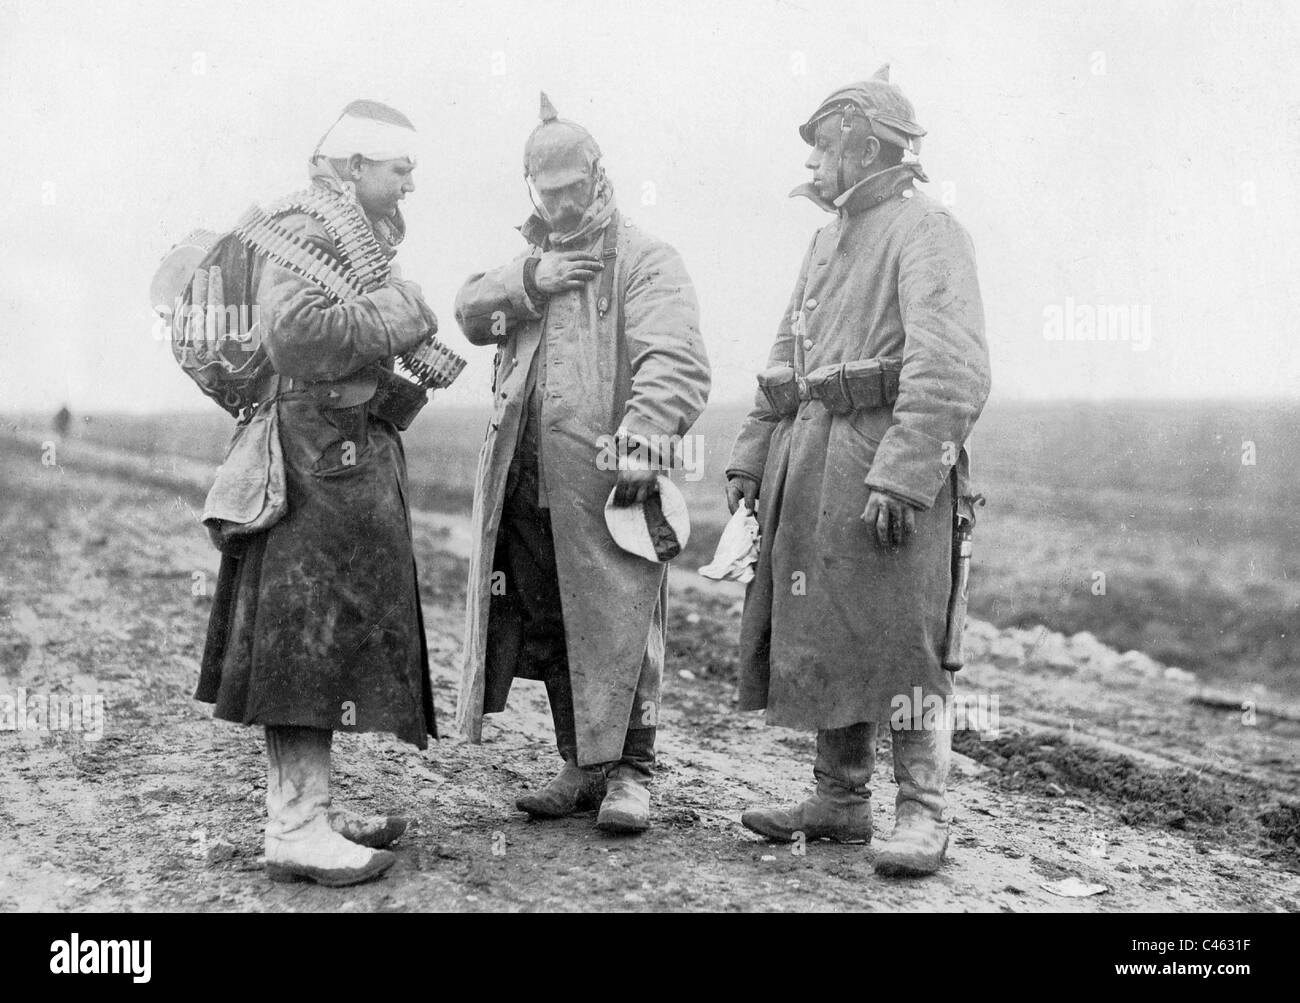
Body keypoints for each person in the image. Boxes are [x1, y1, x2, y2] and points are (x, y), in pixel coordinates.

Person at [725, 67, 991, 876]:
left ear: (868, 147)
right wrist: (749, 453)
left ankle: (924, 812)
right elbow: (784, 359)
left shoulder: (928, 230)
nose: (811, 167)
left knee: (905, 639)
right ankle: (839, 799)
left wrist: (904, 474)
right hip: (810, 457)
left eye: (824, 150)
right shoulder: (824, 239)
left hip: (883, 464)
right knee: (826, 623)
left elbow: (953, 369)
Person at [196, 100, 440, 886]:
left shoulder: (340, 231)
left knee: (320, 643)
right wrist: (398, 313)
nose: (410, 180)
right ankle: (297, 827)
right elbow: (295, 335)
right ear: (355, 167)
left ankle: (307, 811)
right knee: (301, 647)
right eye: (398, 167)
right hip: (310, 461)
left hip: (331, 455)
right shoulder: (306, 231)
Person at [455, 94, 710, 834]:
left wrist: (644, 434)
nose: (563, 204)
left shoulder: (645, 259)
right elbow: (471, 313)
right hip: (527, 483)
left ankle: (634, 770)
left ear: (599, 178)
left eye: (574, 189)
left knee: (625, 623)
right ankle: (583, 764)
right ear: (531, 189)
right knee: (555, 621)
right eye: (548, 192)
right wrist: (534, 279)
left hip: (610, 487)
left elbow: (677, 360)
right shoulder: (534, 265)